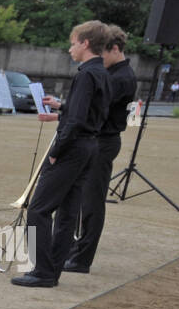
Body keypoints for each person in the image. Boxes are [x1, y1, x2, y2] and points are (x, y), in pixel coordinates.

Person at [13, 21, 110, 288]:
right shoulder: (101, 72)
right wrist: (63, 106)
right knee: (67, 211)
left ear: (85, 43)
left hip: (73, 147)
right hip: (90, 147)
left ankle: (41, 270)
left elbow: (77, 120)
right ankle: (51, 270)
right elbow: (92, 112)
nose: (70, 49)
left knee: (38, 210)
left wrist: (56, 151)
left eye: (73, 43)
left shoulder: (85, 75)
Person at [59, 24, 137, 275]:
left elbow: (96, 107)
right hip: (99, 139)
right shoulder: (114, 74)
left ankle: (82, 258)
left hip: (104, 141)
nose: (99, 58)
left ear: (114, 49)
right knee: (84, 199)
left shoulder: (121, 77)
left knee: (92, 201)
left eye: (103, 53)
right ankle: (75, 251)